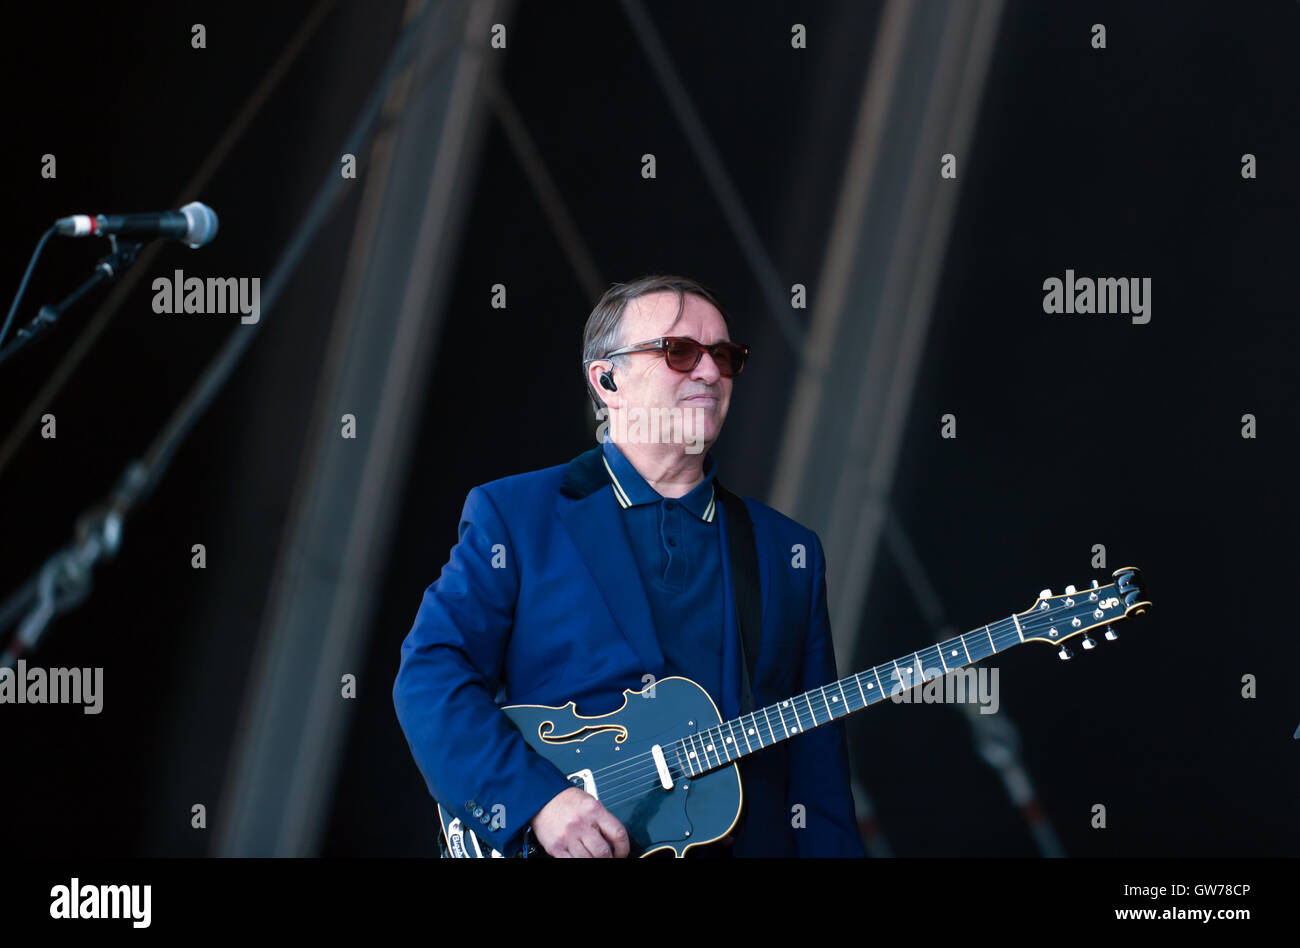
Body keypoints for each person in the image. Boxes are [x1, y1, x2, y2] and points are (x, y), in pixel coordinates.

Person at [393, 275, 864, 858]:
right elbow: (431, 675)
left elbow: (816, 770)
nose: (710, 373)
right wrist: (539, 802)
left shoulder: (786, 550)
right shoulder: (516, 514)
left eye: (725, 355)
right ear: (607, 379)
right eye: (679, 351)